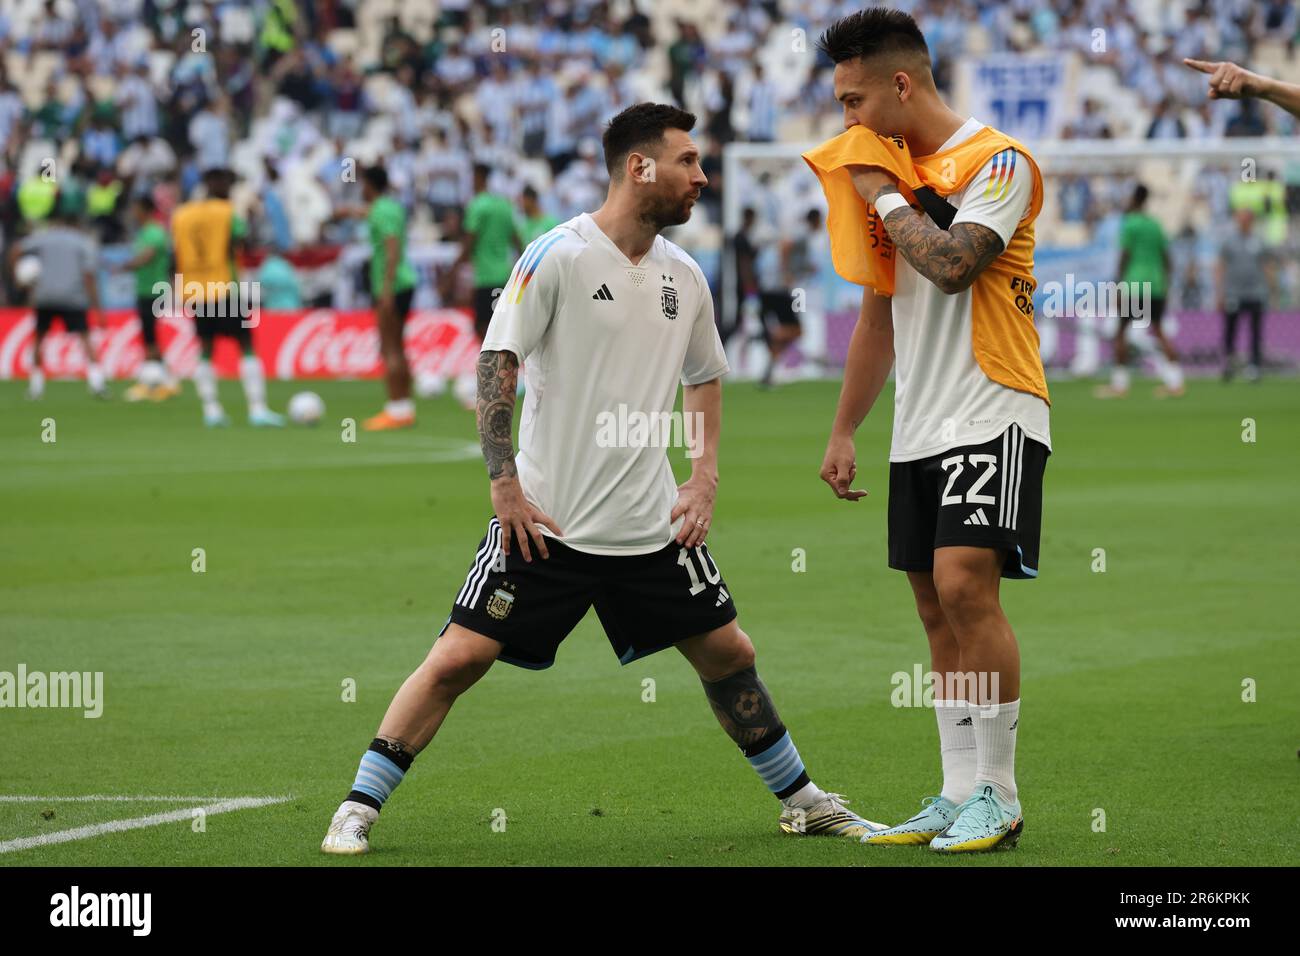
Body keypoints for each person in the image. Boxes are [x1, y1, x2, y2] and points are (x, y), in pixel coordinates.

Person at [322, 102, 885, 855]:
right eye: (688, 161)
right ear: (638, 166)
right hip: (546, 522)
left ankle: (804, 800)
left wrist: (703, 473)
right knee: (458, 658)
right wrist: (503, 484)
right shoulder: (555, 255)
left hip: (651, 524)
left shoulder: (684, 275)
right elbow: (498, 363)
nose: (702, 177)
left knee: (730, 654)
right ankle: (358, 805)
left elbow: (706, 377)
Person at [816, 8, 1049, 853]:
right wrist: (845, 430)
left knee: (963, 586)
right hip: (919, 419)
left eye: (854, 101)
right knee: (930, 606)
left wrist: (879, 189)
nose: (848, 122)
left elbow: (952, 267)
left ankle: (1002, 793)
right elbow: (879, 318)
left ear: (901, 83)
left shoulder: (1001, 161)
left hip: (996, 403)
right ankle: (956, 792)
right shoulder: (887, 174)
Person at [172, 167, 284, 427]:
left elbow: (176, 252)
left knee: (206, 349)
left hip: (195, 290)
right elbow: (244, 241)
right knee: (246, 345)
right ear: (219, 184)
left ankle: (211, 410)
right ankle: (257, 408)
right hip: (224, 288)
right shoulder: (227, 213)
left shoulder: (182, 214)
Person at [1095, 184, 1184, 399]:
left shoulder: (1130, 223)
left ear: (1133, 199)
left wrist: (1118, 283)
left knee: (1120, 333)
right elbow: (1167, 258)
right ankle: (1175, 383)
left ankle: (1120, 385)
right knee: (1160, 331)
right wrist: (1165, 281)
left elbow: (1125, 255)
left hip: (1134, 283)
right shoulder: (1155, 225)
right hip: (1156, 284)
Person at [10, 205, 106, 400]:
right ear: (77, 224)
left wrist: (18, 279)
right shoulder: (83, 242)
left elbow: (15, 250)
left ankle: (36, 388)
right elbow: (88, 276)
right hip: (73, 297)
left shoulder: (45, 237)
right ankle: (97, 385)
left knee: (39, 338)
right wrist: (97, 307)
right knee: (85, 338)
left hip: (45, 296)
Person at [443, 163, 517, 409]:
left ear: (477, 177)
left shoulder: (478, 205)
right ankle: (502, 381)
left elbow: (469, 241)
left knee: (484, 330)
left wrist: (452, 271)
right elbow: (518, 240)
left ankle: (493, 386)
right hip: (505, 275)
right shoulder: (505, 206)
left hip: (485, 277)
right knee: (498, 331)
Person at [121, 195, 180, 402]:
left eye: (136, 208)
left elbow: (148, 256)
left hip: (153, 290)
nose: (133, 213)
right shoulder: (145, 232)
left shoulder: (154, 232)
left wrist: (126, 266)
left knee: (150, 337)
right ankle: (167, 380)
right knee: (150, 336)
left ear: (144, 209)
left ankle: (150, 383)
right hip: (145, 289)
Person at [1217, 208, 1271, 382]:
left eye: (1246, 218)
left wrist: (1271, 289)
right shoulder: (1229, 242)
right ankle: (1229, 363)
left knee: (1255, 330)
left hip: (1256, 292)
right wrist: (1220, 292)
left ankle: (1254, 366)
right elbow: (1221, 266)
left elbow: (1267, 265)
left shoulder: (1259, 242)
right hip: (1234, 292)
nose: (1243, 222)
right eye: (1240, 219)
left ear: (1252, 221)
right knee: (1231, 329)